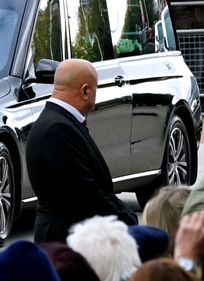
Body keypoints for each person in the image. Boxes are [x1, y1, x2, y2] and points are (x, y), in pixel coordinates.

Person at [26, 59, 136, 243]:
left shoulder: (57, 122)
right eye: (96, 89)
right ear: (85, 91)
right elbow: (86, 194)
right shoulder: (58, 129)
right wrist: (127, 221)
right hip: (66, 243)